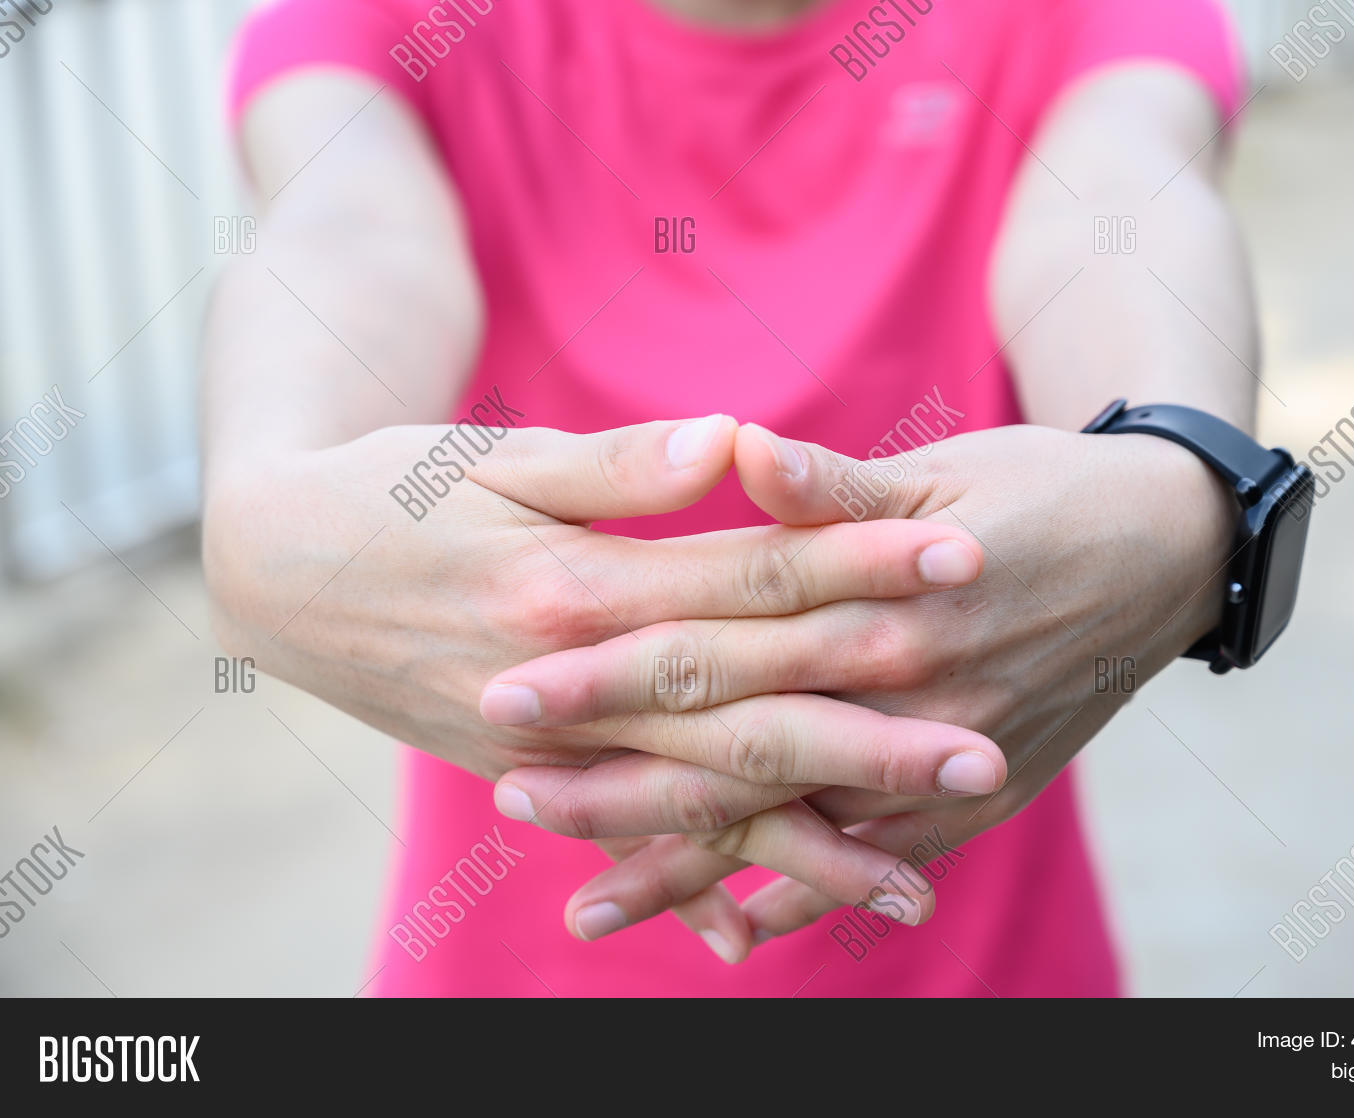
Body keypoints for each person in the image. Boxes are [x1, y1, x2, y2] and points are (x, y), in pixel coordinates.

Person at [205, 0, 1255, 995]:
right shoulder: (403, 24)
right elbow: (346, 231)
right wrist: (269, 481)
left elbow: (1121, 206)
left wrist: (1182, 468)